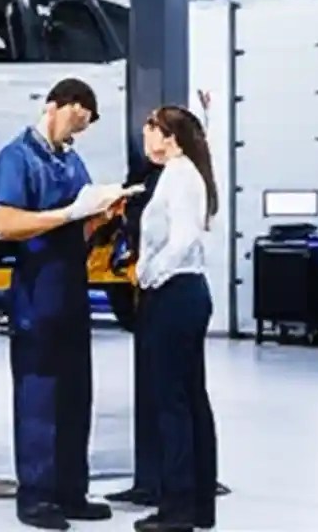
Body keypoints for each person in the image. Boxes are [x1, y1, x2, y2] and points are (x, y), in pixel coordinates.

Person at [0, 77, 137, 530]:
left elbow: (81, 226)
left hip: (72, 290)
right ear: (54, 106)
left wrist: (101, 215)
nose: (76, 133)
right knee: (39, 397)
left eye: (84, 127)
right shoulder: (16, 158)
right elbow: (5, 224)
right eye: (74, 120)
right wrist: (66, 215)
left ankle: (71, 491)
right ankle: (35, 497)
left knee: (76, 395)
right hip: (37, 292)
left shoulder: (72, 163)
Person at [127, 105, 220, 532]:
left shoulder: (181, 176)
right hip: (187, 295)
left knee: (172, 406)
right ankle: (198, 506)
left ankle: (177, 511)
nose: (146, 132)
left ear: (172, 139)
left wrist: (149, 274)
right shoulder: (182, 173)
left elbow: (184, 237)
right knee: (190, 400)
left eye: (153, 127)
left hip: (173, 294)